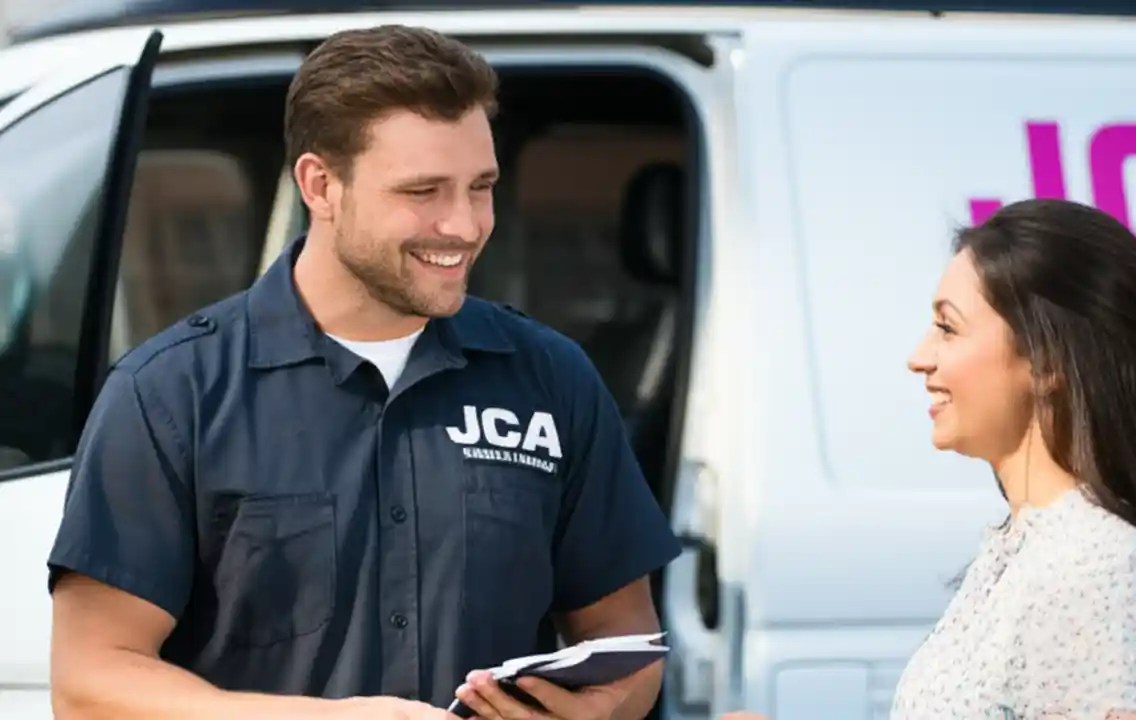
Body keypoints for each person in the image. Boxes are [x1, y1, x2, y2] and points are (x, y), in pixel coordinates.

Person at [46, 24, 682, 720]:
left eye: (481, 186)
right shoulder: (171, 394)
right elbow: (90, 684)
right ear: (321, 185)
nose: (465, 225)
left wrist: (600, 712)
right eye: (424, 191)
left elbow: (628, 647)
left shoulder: (553, 380)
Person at [724, 198, 1136, 720]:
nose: (919, 357)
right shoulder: (1030, 546)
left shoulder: (1102, 568)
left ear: (1047, 362)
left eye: (948, 328)